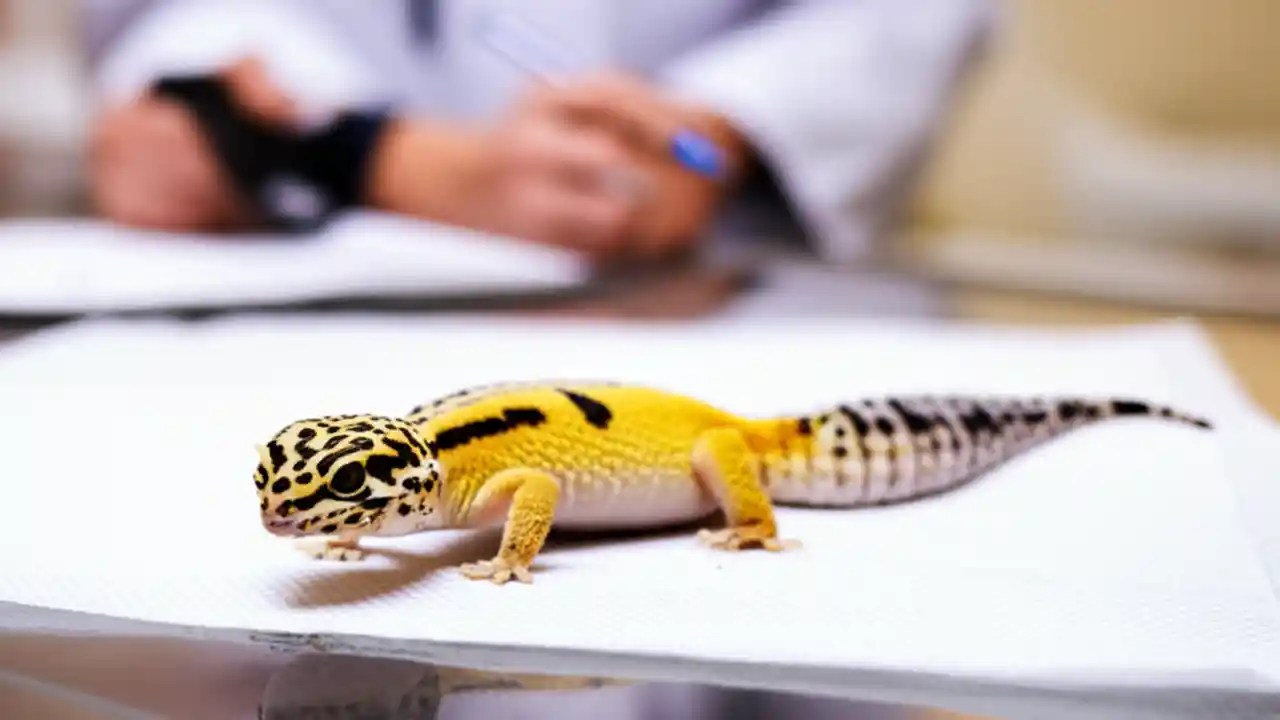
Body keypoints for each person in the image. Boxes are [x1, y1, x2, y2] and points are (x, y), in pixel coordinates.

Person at [82, 0, 995, 265]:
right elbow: (162, 31)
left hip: (730, 261)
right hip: (338, 249)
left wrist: (721, 129)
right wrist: (399, 161)